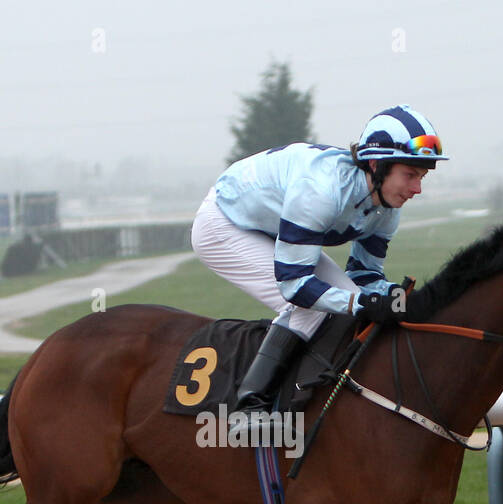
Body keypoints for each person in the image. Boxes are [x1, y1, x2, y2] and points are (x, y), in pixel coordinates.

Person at [191, 104, 448, 435]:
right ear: (376, 164)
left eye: (422, 177)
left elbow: (364, 276)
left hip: (267, 224)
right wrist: (363, 303)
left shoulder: (387, 207)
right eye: (410, 176)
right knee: (312, 308)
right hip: (223, 225)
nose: (417, 190)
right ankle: (250, 408)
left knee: (350, 302)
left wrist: (392, 297)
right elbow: (295, 286)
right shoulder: (322, 191)